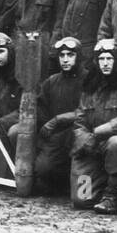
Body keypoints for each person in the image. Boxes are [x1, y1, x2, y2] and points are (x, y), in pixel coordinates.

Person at [69, 39, 117, 210]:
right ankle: (99, 189)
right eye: (101, 59)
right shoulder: (90, 85)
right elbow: (80, 118)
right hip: (91, 145)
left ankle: (113, 194)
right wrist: (84, 138)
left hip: (116, 145)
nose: (105, 63)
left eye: (109, 58)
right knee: (81, 200)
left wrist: (97, 134)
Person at [28, 36, 86, 196]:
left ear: (78, 56)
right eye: (62, 55)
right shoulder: (51, 82)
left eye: (70, 55)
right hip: (56, 137)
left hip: (79, 133)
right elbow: (41, 108)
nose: (65, 60)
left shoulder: (88, 79)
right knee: (43, 169)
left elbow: (87, 111)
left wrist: (58, 120)